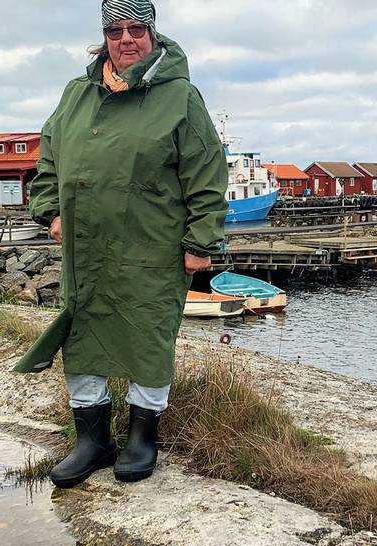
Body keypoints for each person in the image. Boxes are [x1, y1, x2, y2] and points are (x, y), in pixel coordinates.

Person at [15, 0, 228, 489]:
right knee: (82, 330)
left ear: (152, 34)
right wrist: (49, 211)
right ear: (104, 38)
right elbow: (49, 157)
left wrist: (201, 241)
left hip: (152, 245)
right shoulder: (76, 94)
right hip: (86, 245)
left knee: (147, 334)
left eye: (136, 29)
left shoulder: (180, 97)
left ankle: (141, 438)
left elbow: (206, 173)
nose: (126, 39)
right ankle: (93, 440)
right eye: (116, 31)